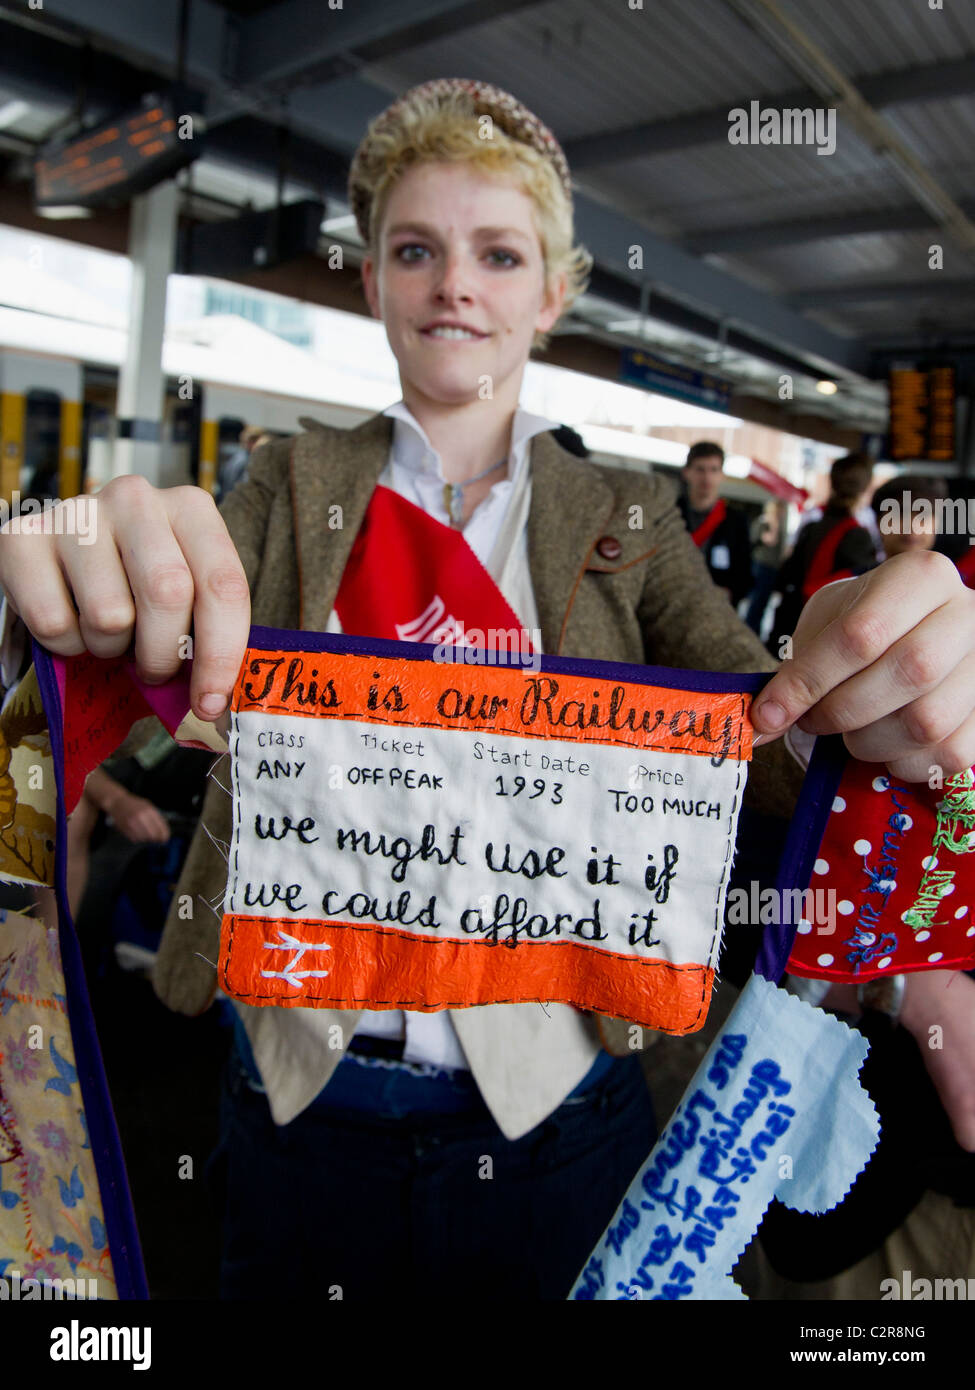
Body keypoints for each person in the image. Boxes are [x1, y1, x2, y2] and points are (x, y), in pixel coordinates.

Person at [1, 77, 974, 1300]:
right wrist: (75, 568)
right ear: (372, 283)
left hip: (556, 1098)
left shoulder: (628, 510)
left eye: (498, 254)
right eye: (416, 250)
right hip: (300, 1081)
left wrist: (858, 688)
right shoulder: (290, 483)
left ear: (554, 293)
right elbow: (152, 616)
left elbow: (762, 732)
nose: (455, 284)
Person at [768, 452, 878, 655]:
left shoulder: (812, 527)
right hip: (822, 636)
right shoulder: (858, 536)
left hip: (789, 625)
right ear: (865, 488)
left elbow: (783, 578)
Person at [676, 441, 753, 606]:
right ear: (686, 472)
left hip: (714, 610)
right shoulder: (670, 513)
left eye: (713, 469)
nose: (707, 477)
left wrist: (727, 594)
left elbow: (745, 575)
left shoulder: (736, 522)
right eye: (700, 469)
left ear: (722, 474)